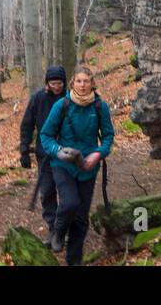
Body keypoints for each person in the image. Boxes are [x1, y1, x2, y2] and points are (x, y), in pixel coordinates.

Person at [39, 65, 114, 265]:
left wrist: (98, 154)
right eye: (79, 81)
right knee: (70, 202)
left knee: (81, 218)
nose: (82, 85)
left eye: (86, 81)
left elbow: (108, 137)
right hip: (62, 165)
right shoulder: (62, 105)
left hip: (87, 168)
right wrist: (57, 151)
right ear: (73, 83)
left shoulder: (100, 106)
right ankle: (57, 232)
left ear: (92, 83)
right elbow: (45, 135)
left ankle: (74, 261)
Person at [19, 65, 67, 239]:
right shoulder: (38, 99)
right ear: (47, 83)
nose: (56, 86)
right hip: (44, 153)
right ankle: (53, 226)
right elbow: (27, 125)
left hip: (66, 153)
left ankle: (64, 225)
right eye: (53, 83)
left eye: (60, 83)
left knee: (66, 191)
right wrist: (24, 150)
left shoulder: (70, 98)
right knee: (47, 191)